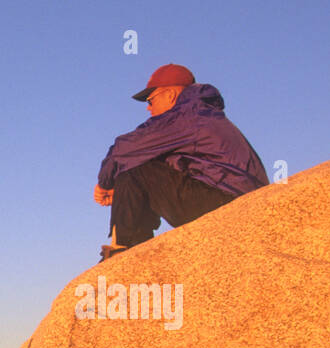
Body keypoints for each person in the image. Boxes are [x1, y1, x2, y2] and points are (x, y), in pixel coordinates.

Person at [93, 64, 268, 261]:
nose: (148, 107)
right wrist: (122, 191)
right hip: (238, 199)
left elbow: (122, 150)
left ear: (170, 95)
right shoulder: (202, 115)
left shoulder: (187, 116)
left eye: (150, 100)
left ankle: (126, 249)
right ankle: (132, 247)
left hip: (228, 203)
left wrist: (104, 185)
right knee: (140, 168)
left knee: (135, 168)